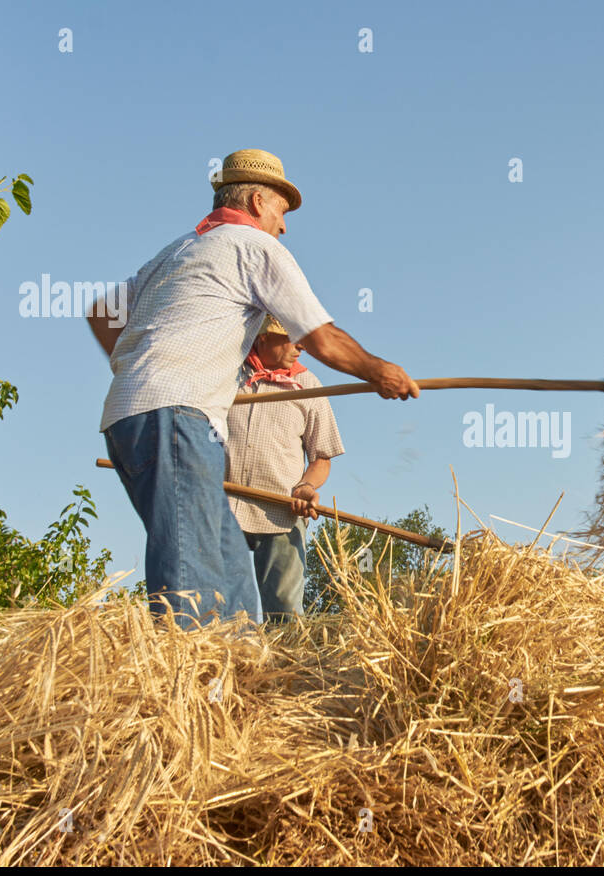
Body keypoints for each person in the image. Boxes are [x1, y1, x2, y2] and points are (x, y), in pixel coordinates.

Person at [86, 148, 417, 626]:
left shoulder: (179, 250)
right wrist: (379, 370)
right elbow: (319, 335)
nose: (284, 227)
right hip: (177, 414)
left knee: (233, 579)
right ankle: (185, 686)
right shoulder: (255, 247)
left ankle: (240, 681)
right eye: (282, 213)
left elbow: (102, 313)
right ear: (259, 200)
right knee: (192, 577)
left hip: (133, 417)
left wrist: (133, 366)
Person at [225, 315, 342, 620]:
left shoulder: (309, 386)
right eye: (292, 337)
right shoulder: (226, 374)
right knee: (219, 610)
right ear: (263, 337)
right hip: (222, 508)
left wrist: (306, 487)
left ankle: (285, 667)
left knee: (285, 613)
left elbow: (321, 457)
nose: (301, 347)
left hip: (280, 511)